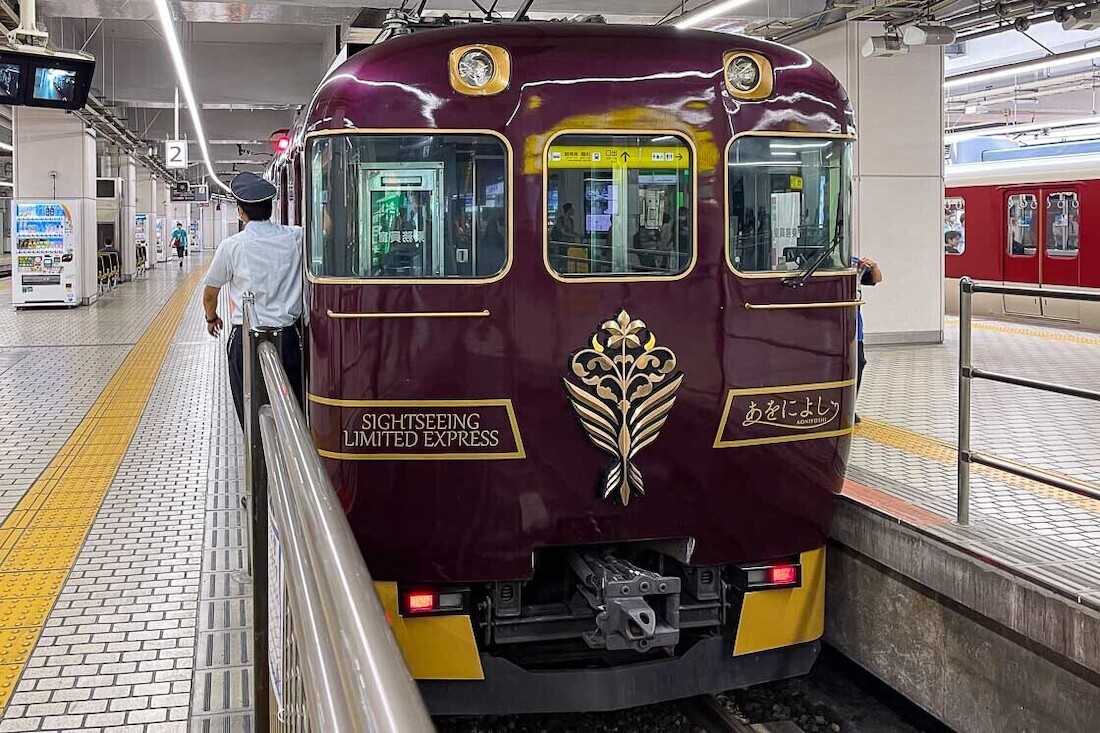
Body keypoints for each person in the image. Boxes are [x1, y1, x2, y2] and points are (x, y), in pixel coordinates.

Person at [202, 172, 304, 429]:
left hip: (246, 339)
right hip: (289, 339)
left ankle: (258, 462)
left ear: (240, 212)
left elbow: (210, 293)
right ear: (271, 208)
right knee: (291, 412)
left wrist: (211, 318)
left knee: (250, 410)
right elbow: (327, 228)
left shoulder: (232, 246)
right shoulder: (296, 237)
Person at [852, 256, 883, 424]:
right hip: (831, 326)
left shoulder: (853, 263)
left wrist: (874, 265)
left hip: (855, 328)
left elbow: (877, 278)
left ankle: (850, 405)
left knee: (859, 362)